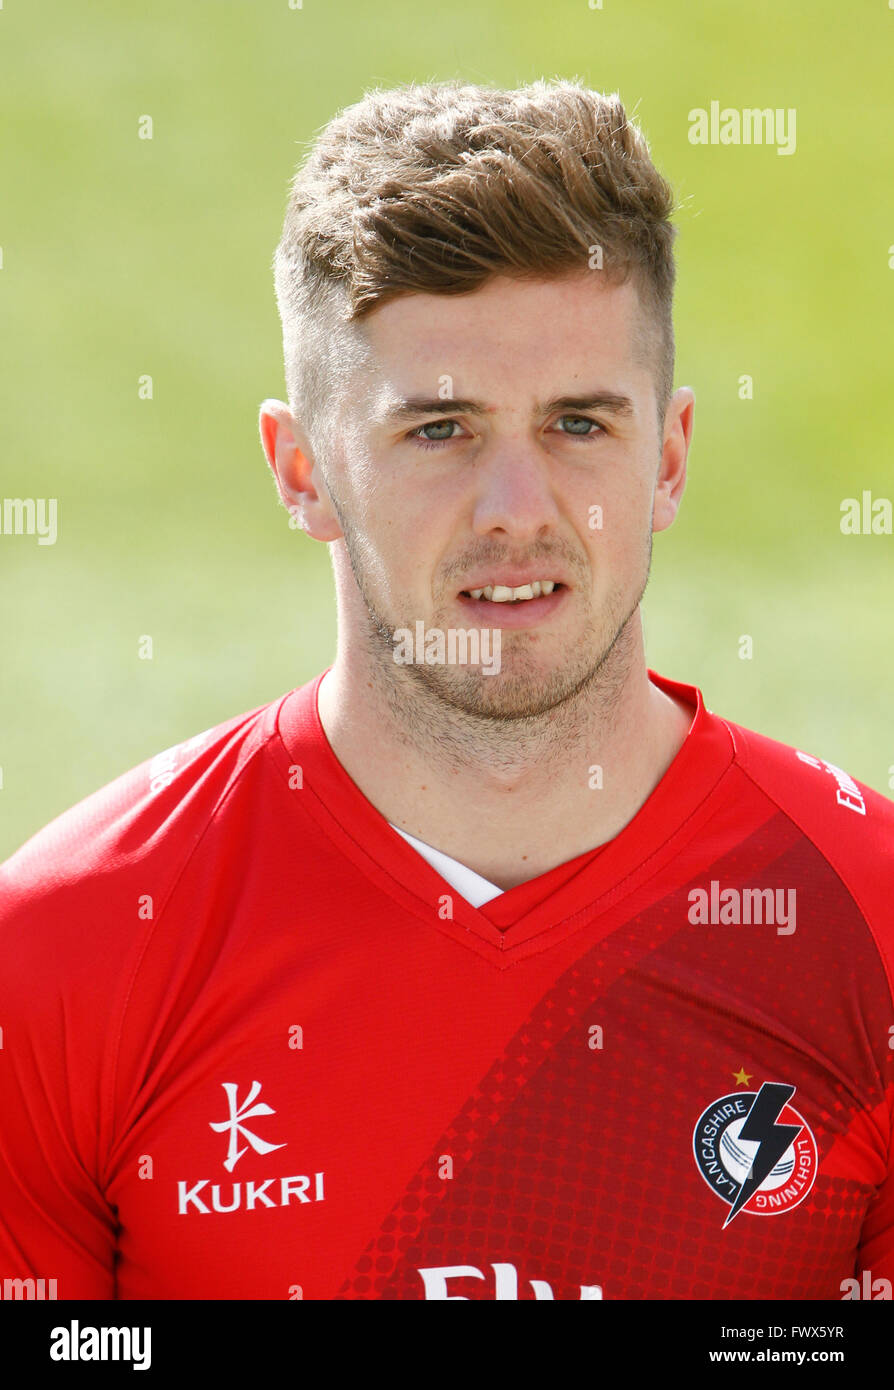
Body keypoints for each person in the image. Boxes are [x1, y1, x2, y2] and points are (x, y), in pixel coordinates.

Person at [1, 79, 892, 1302]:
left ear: (670, 458)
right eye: (440, 430)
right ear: (302, 469)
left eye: (580, 424)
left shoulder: (872, 927)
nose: (518, 510)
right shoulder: (64, 953)